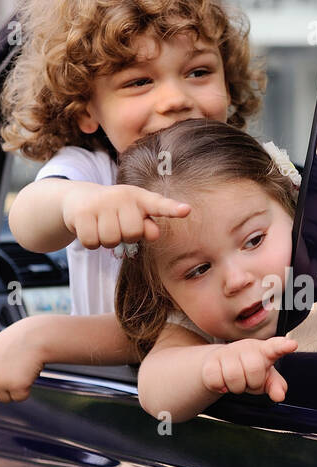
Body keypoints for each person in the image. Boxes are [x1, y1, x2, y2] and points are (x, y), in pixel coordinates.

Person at [0, 0, 263, 409]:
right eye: (140, 81)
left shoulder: (241, 167)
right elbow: (30, 220)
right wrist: (77, 204)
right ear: (88, 110)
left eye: (198, 71)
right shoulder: (94, 170)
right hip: (127, 399)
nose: (175, 98)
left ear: (228, 77)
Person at [112, 120, 300, 422]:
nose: (237, 280)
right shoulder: (193, 328)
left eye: (253, 240)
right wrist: (215, 364)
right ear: (165, 293)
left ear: (292, 207)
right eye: (198, 270)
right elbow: (156, 390)